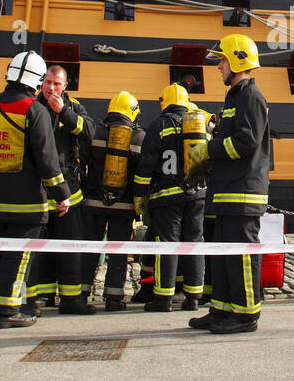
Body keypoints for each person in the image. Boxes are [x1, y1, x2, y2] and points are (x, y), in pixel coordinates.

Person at [0, 51, 71, 329]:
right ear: (37, 81)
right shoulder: (34, 110)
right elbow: (46, 159)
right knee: (16, 257)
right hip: (24, 203)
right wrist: (62, 195)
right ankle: (7, 312)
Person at [187, 33, 271, 334]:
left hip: (243, 192)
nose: (218, 66)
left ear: (237, 60)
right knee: (222, 256)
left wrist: (209, 148)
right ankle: (221, 310)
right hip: (226, 191)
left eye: (222, 60)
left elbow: (247, 142)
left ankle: (246, 316)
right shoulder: (235, 97)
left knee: (240, 256)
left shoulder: (251, 96)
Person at [22, 64, 96, 315]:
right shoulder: (31, 107)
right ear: (41, 83)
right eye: (47, 83)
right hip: (38, 190)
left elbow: (89, 131)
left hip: (68, 189)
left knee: (70, 246)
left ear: (65, 86)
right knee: (37, 247)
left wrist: (62, 111)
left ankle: (71, 300)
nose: (51, 88)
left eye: (57, 84)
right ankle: (36, 299)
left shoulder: (74, 107)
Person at [134, 83, 207, 312]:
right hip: (197, 196)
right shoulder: (197, 124)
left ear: (163, 102)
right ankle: (193, 298)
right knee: (194, 243)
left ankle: (163, 299)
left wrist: (140, 197)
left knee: (167, 245)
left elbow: (146, 166)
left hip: (167, 197)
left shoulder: (159, 125)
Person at [81, 91, 145, 311]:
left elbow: (83, 162)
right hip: (124, 205)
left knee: (90, 248)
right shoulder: (139, 137)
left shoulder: (95, 131)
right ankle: (114, 298)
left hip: (93, 202)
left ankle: (81, 294)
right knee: (118, 251)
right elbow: (141, 173)